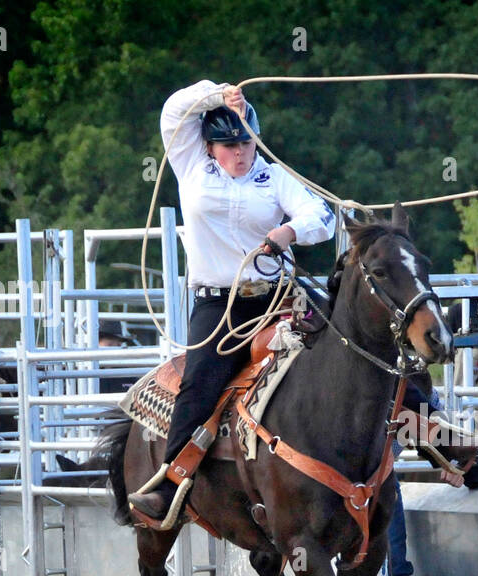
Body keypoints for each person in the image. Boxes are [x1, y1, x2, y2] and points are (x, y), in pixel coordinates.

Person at [127, 81, 335, 528]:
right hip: (218, 305)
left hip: (278, 296)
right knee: (199, 384)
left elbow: (322, 216)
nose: (238, 153)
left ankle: (438, 434)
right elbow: (172, 111)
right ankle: (170, 484)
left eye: (244, 143)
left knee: (349, 341)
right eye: (227, 145)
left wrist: (288, 233)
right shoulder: (190, 167)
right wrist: (217, 94)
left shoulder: (274, 178)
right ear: (209, 146)